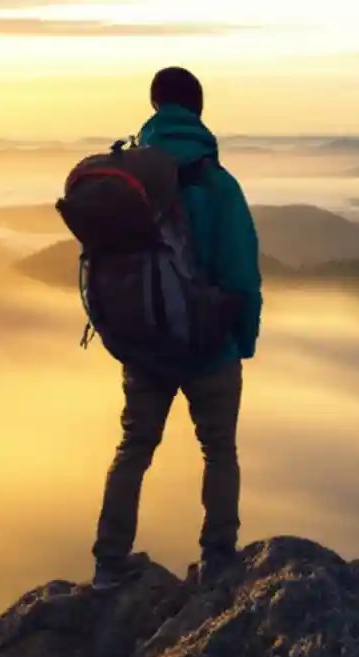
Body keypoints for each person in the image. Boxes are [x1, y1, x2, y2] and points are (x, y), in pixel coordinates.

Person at [91, 67, 263, 590]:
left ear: (154, 106)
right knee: (219, 450)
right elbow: (241, 274)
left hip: (143, 347)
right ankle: (216, 558)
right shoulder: (218, 184)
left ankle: (108, 564)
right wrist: (244, 341)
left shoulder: (130, 182)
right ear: (200, 112)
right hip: (211, 348)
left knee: (134, 448)